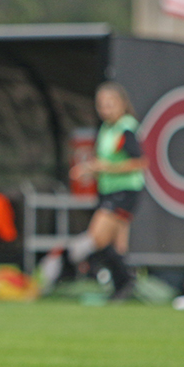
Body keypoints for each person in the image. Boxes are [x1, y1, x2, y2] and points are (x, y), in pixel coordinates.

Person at [40, 82, 147, 301]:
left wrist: (101, 167)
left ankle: (63, 265)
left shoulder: (126, 128)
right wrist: (90, 172)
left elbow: (138, 162)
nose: (105, 110)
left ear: (122, 104)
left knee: (96, 238)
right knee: (117, 245)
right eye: (101, 105)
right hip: (109, 191)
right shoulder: (107, 128)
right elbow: (105, 162)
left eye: (110, 104)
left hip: (125, 191)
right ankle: (123, 285)